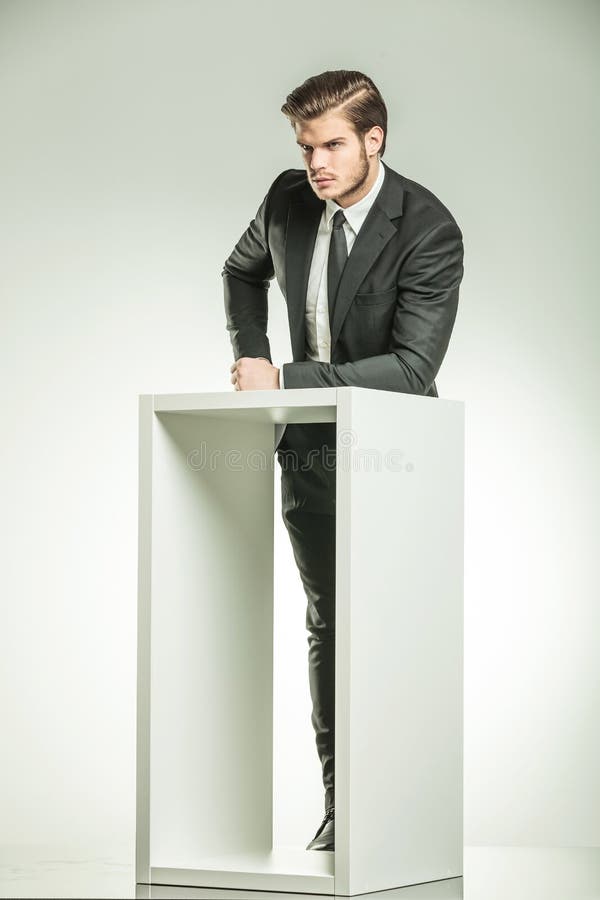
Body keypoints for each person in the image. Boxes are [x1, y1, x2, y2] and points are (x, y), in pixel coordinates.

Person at [223, 69, 464, 852]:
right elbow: (240, 271)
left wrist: (282, 376)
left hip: (397, 454)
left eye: (331, 145)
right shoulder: (288, 200)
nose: (315, 163)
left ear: (374, 139)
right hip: (311, 448)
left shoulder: (428, 227)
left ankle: (403, 805)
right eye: (304, 146)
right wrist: (252, 354)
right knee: (329, 623)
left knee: (391, 625)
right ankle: (343, 807)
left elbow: (411, 369)